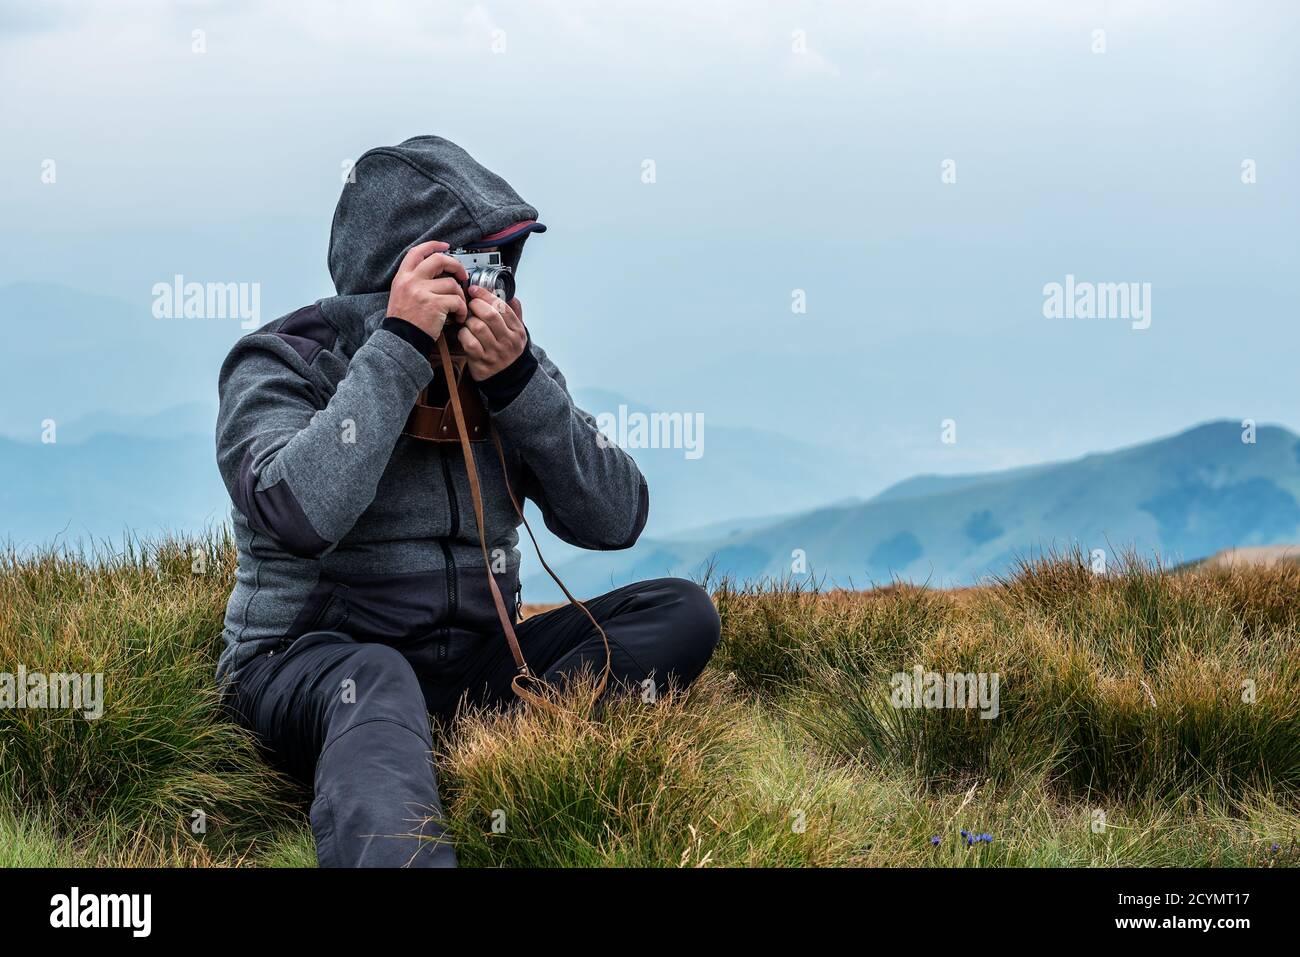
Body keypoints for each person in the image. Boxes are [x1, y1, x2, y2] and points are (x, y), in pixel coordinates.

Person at [214, 136, 720, 867]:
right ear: (406, 270)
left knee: (681, 611)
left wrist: (518, 386)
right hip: (306, 665)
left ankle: (475, 754)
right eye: (477, 264)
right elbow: (298, 513)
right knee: (377, 682)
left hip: (473, 665)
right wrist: (397, 348)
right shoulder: (281, 360)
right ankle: (395, 796)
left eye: (503, 266)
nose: (495, 287)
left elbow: (617, 517)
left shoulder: (502, 357)